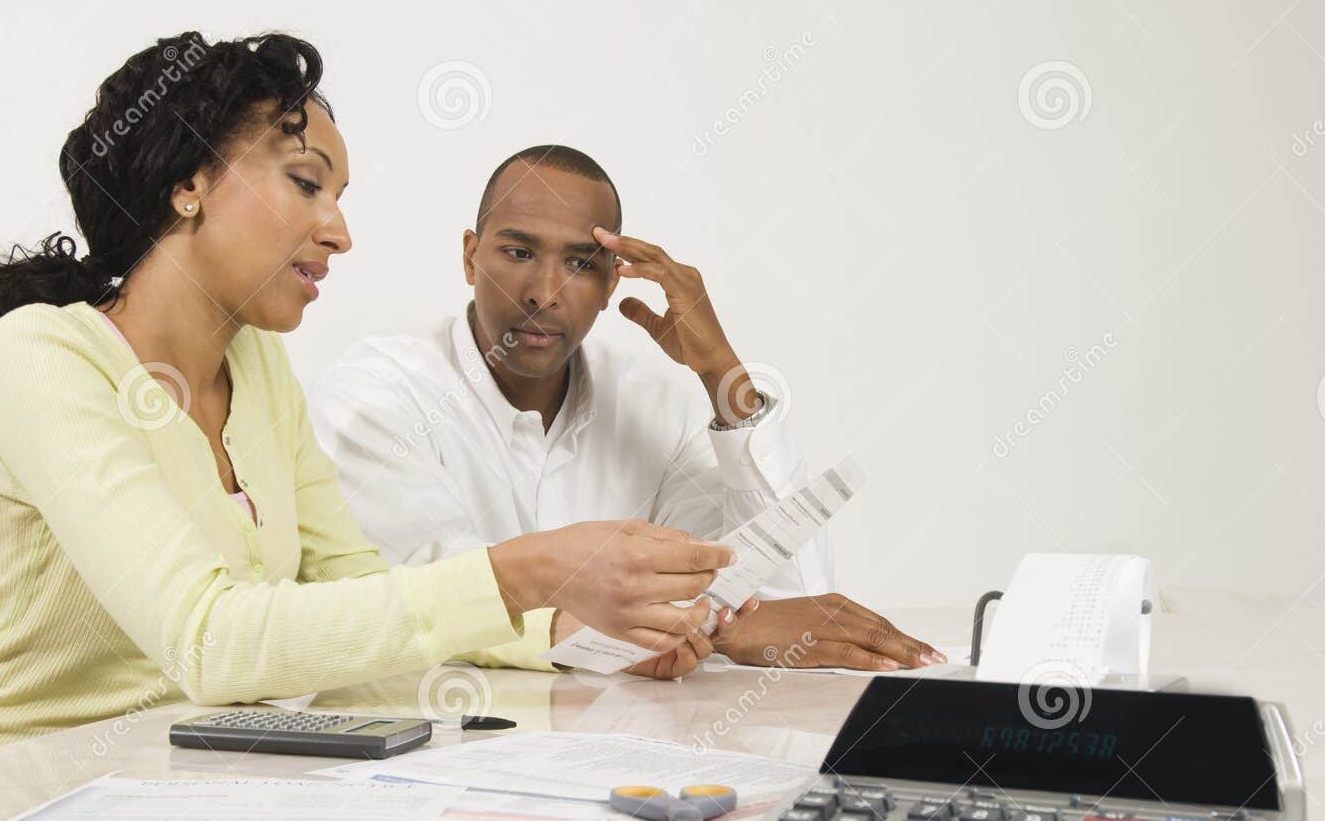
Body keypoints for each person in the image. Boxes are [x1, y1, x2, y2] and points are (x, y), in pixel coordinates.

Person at [0, 35, 733, 771]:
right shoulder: (44, 356)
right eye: (307, 184)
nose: (339, 232)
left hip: (168, 797)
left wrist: (564, 633)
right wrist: (529, 568)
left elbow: (360, 599)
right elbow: (210, 640)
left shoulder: (258, 366)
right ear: (188, 184)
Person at [303, 145, 944, 672]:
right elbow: (430, 595)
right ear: (471, 256)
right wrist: (706, 630)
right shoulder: (376, 396)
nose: (544, 293)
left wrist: (722, 371)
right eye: (518, 252)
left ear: (613, 283)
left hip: (632, 762)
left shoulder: (655, 401)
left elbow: (788, 599)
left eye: (580, 264)